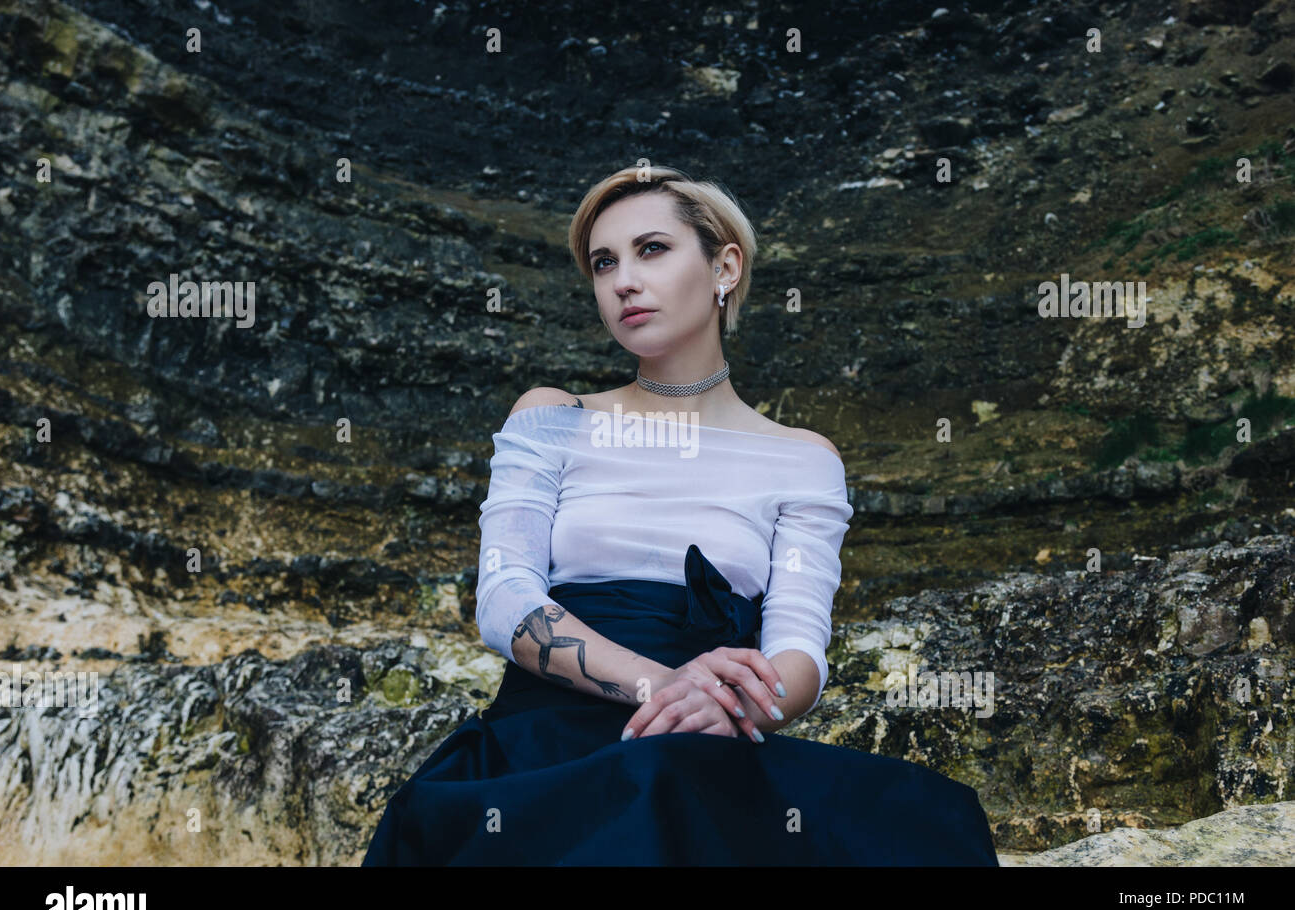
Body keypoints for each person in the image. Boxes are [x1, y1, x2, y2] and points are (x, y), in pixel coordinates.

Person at [361, 165, 998, 865]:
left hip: (711, 738)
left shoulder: (803, 457)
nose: (623, 281)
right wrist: (664, 688)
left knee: (930, 822)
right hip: (544, 742)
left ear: (725, 265)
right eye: (604, 264)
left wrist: (733, 707)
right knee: (645, 791)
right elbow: (506, 599)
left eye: (652, 249)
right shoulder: (553, 417)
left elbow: (800, 649)